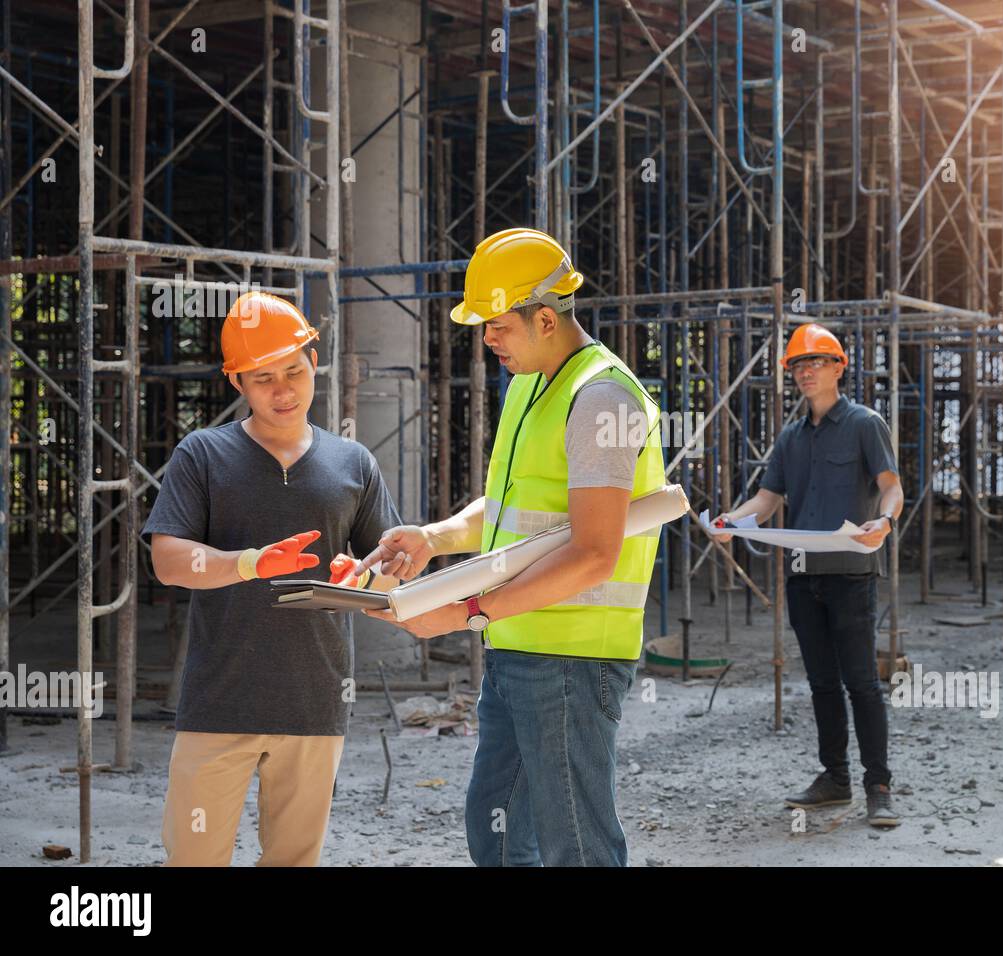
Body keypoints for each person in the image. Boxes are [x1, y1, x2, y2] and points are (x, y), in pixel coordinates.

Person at [362, 227, 662, 866]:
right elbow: (507, 511)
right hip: (519, 645)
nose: (487, 338)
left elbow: (593, 555)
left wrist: (468, 612)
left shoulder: (601, 398)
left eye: (497, 324)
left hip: (572, 659)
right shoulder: (532, 383)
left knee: (575, 845)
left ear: (546, 317)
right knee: (497, 838)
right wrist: (435, 538)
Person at [142, 291, 401, 865]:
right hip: (219, 703)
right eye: (262, 378)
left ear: (314, 360)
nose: (283, 390)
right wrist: (249, 563)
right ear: (236, 380)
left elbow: (390, 570)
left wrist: (359, 579)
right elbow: (168, 559)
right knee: (194, 856)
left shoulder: (353, 463)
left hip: (315, 703)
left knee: (293, 860)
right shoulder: (203, 455)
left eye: (294, 369)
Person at [715, 322, 904, 827]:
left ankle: (878, 786)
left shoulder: (866, 424)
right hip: (803, 576)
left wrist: (884, 522)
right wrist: (731, 520)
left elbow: (892, 486)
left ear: (839, 367)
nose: (805, 372)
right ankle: (835, 779)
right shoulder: (791, 438)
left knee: (862, 682)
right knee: (822, 682)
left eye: (815, 362)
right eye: (797, 365)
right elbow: (768, 498)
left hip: (850, 573)